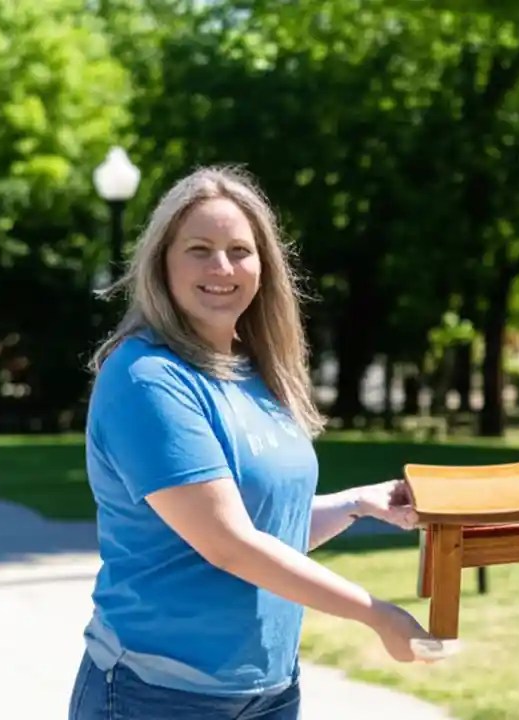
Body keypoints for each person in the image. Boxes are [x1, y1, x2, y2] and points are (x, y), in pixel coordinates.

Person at [67, 166, 435, 720]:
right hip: (158, 694)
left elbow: (267, 529)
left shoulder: (255, 372)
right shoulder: (146, 377)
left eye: (240, 250)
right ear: (162, 262)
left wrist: (356, 504)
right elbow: (229, 544)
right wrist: (377, 613)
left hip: (268, 694)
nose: (222, 268)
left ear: (264, 265)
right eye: (199, 249)